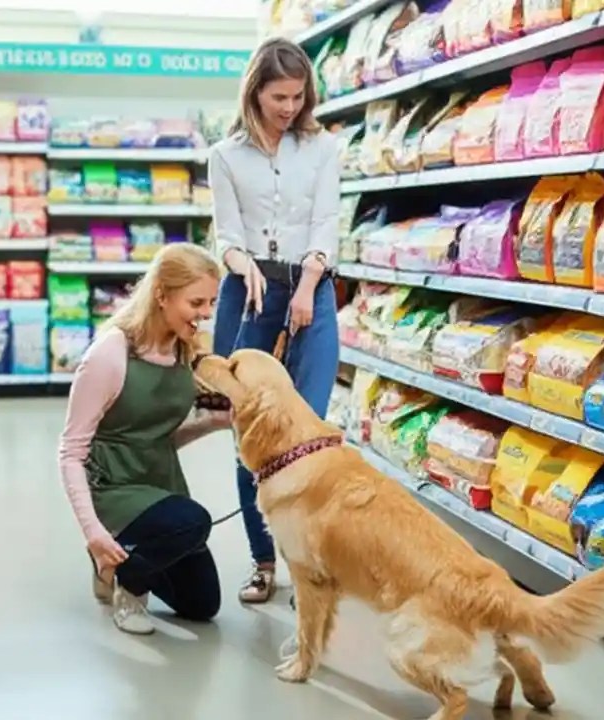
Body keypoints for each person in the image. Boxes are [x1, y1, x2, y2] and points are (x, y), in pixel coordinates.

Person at [209, 36, 342, 604]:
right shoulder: (225, 155)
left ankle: (307, 562)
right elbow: (226, 234)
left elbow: (327, 222)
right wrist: (245, 268)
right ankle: (263, 561)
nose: (290, 107)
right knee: (252, 435)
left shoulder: (322, 148)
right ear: (255, 92)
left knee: (307, 435)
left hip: (313, 289)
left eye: (297, 96)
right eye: (278, 97)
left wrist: (309, 282)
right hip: (247, 294)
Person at [57, 244, 230, 635]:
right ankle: (129, 587)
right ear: (161, 295)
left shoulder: (185, 348)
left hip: (160, 483)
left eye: (211, 302)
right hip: (114, 487)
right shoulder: (111, 353)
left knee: (202, 605)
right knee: (194, 522)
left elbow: (156, 437)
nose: (206, 314)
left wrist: (213, 423)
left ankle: (121, 563)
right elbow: (70, 453)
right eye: (197, 302)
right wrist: (94, 532)